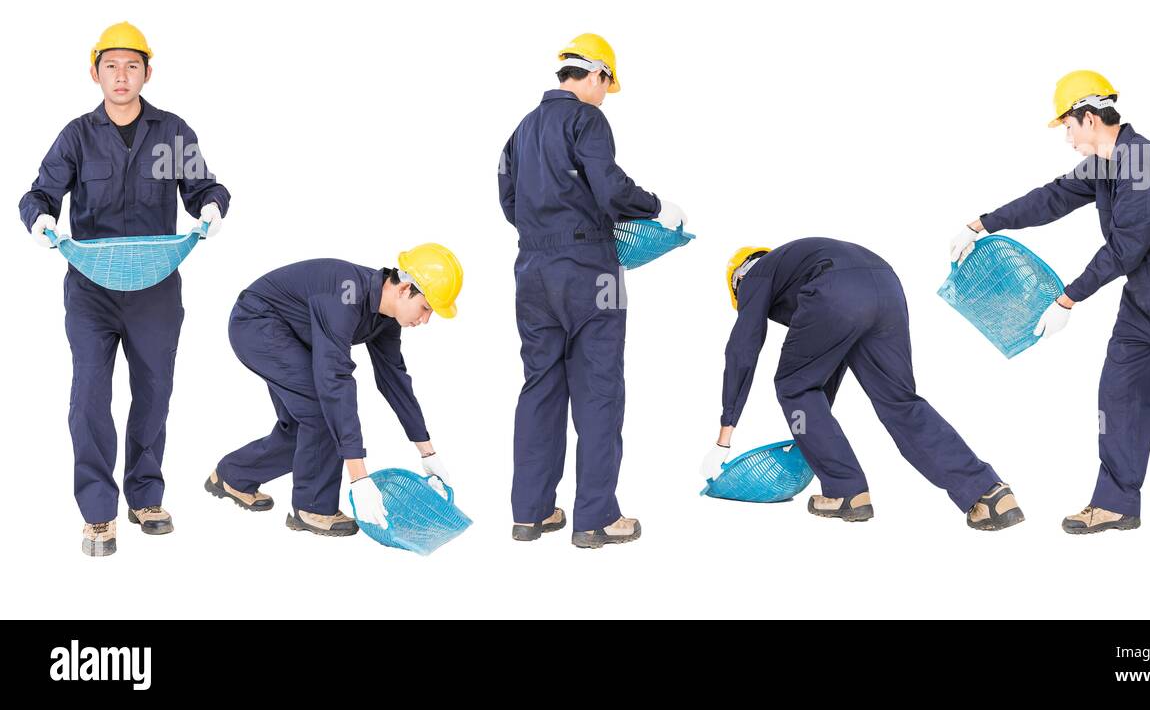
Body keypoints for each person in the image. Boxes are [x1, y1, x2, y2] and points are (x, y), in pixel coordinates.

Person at [951, 71, 1150, 543]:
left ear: (1089, 117)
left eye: (1068, 127)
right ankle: (1115, 503)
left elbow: (1127, 246)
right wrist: (984, 223)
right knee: (1120, 396)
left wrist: (1069, 296)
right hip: (1142, 299)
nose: (1066, 138)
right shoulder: (1105, 163)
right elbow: (1052, 198)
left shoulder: (1141, 160)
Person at [20, 22, 231, 557]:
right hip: (91, 288)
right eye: (110, 66)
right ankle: (97, 514)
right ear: (95, 72)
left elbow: (203, 185)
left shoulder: (172, 131)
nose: (121, 75)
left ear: (147, 72)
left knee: (154, 391)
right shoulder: (77, 135)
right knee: (89, 394)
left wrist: (211, 207)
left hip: (155, 287)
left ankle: (145, 495)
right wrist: (41, 221)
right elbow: (40, 192)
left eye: (132, 65)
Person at [497, 33, 688, 548]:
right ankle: (596, 519)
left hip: (531, 270)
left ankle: (530, 513)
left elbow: (508, 201)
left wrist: (548, 232)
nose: (607, 94)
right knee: (599, 389)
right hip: (591, 271)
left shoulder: (520, 130)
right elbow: (609, 188)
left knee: (540, 386)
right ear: (596, 74)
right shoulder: (588, 119)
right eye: (607, 83)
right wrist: (656, 207)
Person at [702, 238, 1025, 531]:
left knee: (793, 386)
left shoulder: (753, 276)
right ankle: (988, 493)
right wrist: (811, 435)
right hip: (886, 286)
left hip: (834, 289)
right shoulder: (797, 261)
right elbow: (825, 365)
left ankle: (846, 491)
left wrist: (725, 435)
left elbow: (743, 349)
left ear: (738, 281)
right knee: (900, 401)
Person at [207, 245, 461, 538]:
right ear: (405, 289)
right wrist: (359, 478)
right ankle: (313, 508)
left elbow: (395, 381)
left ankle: (234, 475)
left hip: (293, 335)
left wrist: (427, 452)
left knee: (305, 424)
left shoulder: (386, 319)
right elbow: (335, 380)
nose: (425, 319)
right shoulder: (346, 292)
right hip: (257, 323)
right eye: (426, 308)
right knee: (321, 411)